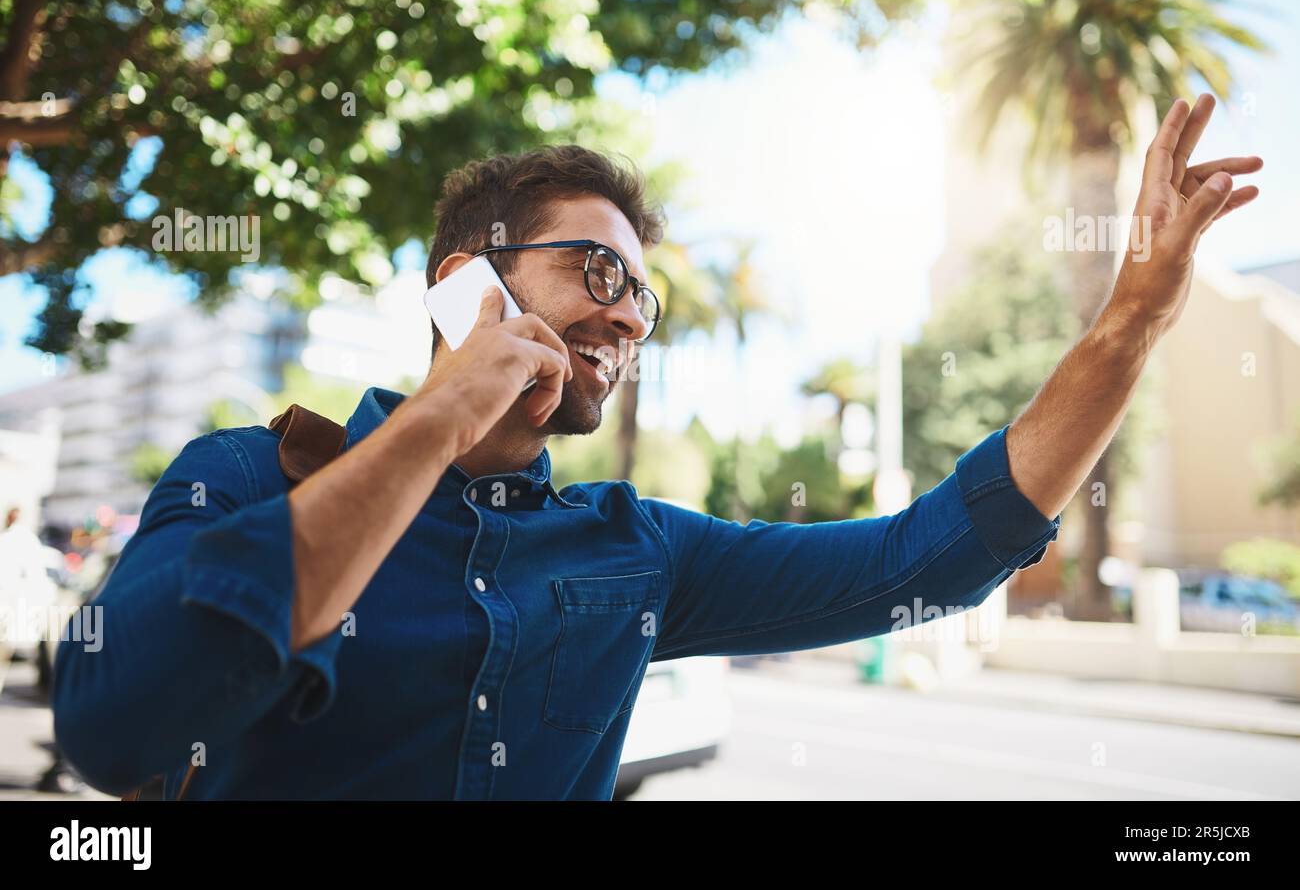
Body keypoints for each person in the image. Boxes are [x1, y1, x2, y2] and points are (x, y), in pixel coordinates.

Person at [51, 95, 1261, 799]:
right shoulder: (244, 475)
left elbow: (931, 556)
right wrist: (442, 416)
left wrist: (1133, 318)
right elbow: (114, 733)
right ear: (464, 278)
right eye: (598, 272)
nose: (630, 317)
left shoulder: (640, 551)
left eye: (644, 297)